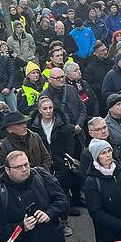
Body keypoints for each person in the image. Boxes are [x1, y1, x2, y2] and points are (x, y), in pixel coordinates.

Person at [0, 150, 69, 242]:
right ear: (7, 170)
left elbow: (62, 200)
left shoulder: (41, 174)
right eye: (19, 167)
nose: (24, 169)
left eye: (26, 164)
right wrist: (21, 227)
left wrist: (49, 213)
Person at [29, 97, 83, 233]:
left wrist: (67, 160)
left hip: (61, 163)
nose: (48, 111)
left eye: (50, 108)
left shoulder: (63, 125)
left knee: (62, 194)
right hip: (42, 164)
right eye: (45, 108)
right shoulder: (33, 126)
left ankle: (63, 223)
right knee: (44, 194)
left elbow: (70, 144)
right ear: (39, 110)